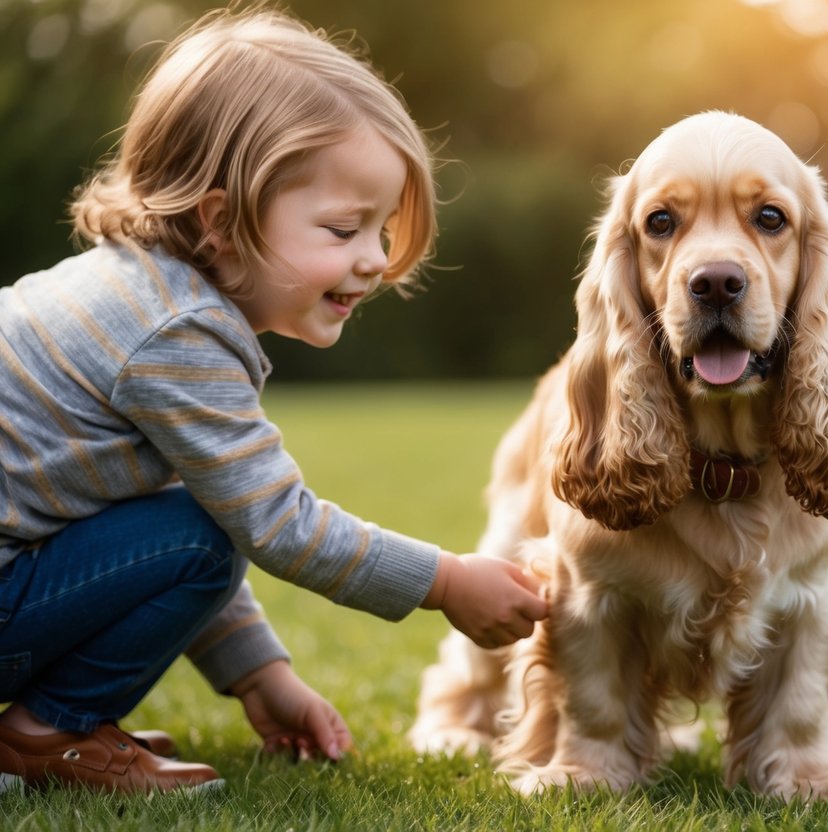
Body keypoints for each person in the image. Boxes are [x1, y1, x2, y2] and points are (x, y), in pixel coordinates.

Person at [0, 6, 547, 795]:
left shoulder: (137, 295)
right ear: (221, 220)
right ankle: (44, 734)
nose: (374, 261)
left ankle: (53, 724)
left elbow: (177, 513)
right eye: (343, 229)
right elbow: (272, 524)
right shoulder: (176, 332)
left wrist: (261, 676)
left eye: (381, 230)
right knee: (207, 536)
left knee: (198, 526)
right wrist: (446, 582)